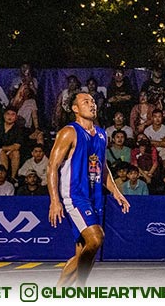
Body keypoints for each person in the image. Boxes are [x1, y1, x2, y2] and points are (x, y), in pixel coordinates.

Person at [48, 92, 130, 286]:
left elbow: (102, 168)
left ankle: (67, 291)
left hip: (95, 196)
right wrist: (54, 200)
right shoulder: (69, 132)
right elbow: (52, 166)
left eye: (93, 101)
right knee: (96, 237)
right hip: (75, 196)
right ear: (75, 109)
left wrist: (116, 192)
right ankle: (73, 290)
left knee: (85, 251)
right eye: (86, 102)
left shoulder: (102, 134)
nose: (92, 104)